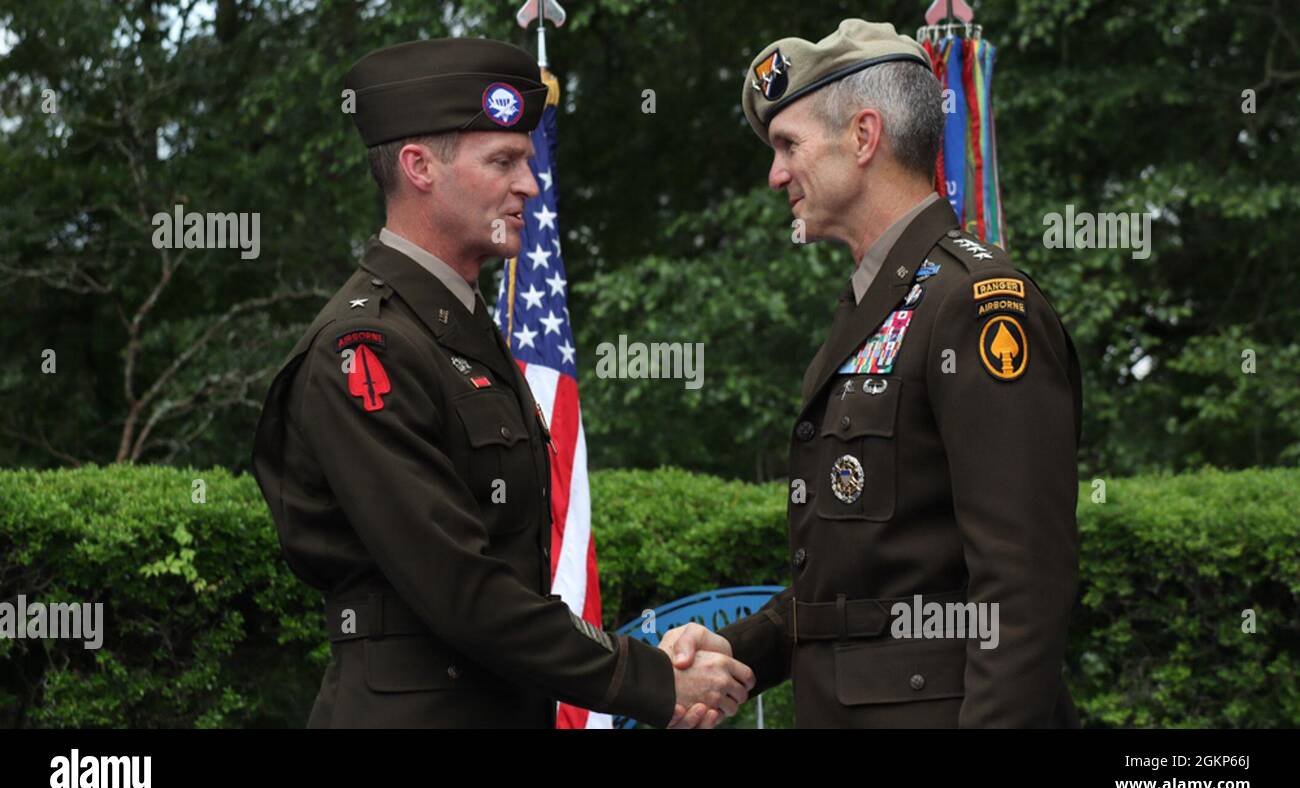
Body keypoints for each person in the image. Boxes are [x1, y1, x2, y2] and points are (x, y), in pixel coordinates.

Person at [251, 37, 753, 728]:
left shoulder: (456, 329)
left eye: (527, 160)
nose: (530, 185)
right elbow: (461, 587)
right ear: (419, 167)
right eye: (503, 161)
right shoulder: (365, 346)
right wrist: (647, 678)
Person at [663, 19, 1083, 728]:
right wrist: (737, 650)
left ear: (863, 136)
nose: (775, 174)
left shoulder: (977, 305)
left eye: (789, 145)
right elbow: (859, 583)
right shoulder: (875, 304)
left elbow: (1023, 586)